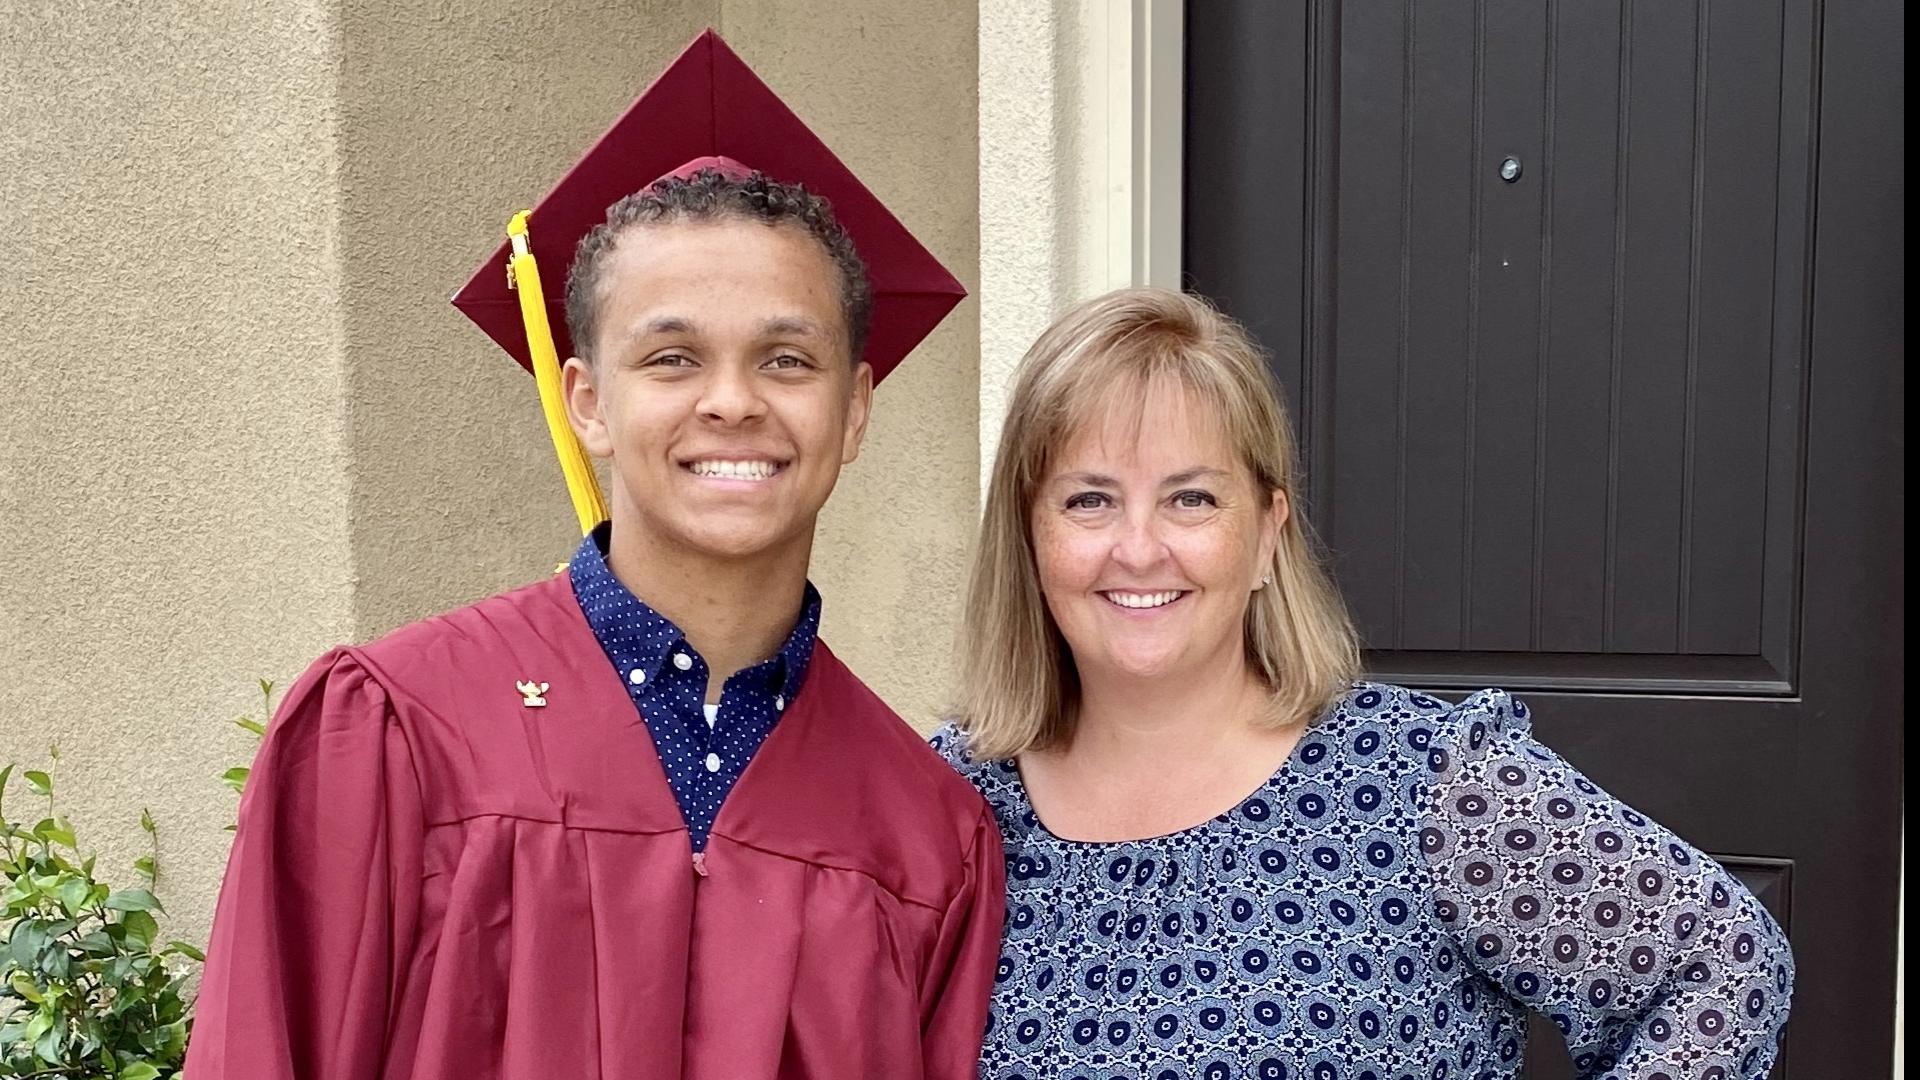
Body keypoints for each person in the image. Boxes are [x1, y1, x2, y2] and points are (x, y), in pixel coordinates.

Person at [186, 30, 1002, 1080]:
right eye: (672, 358)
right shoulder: (394, 733)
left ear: (853, 411)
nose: (732, 401)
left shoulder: (926, 836)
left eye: (786, 359)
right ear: (586, 403)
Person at [933, 287, 1793, 1079]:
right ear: (1029, 535)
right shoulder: (942, 812)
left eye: (1191, 499)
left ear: (1267, 535)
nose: (1140, 547)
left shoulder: (1428, 785)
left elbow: (1723, 963)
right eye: (1089, 500)